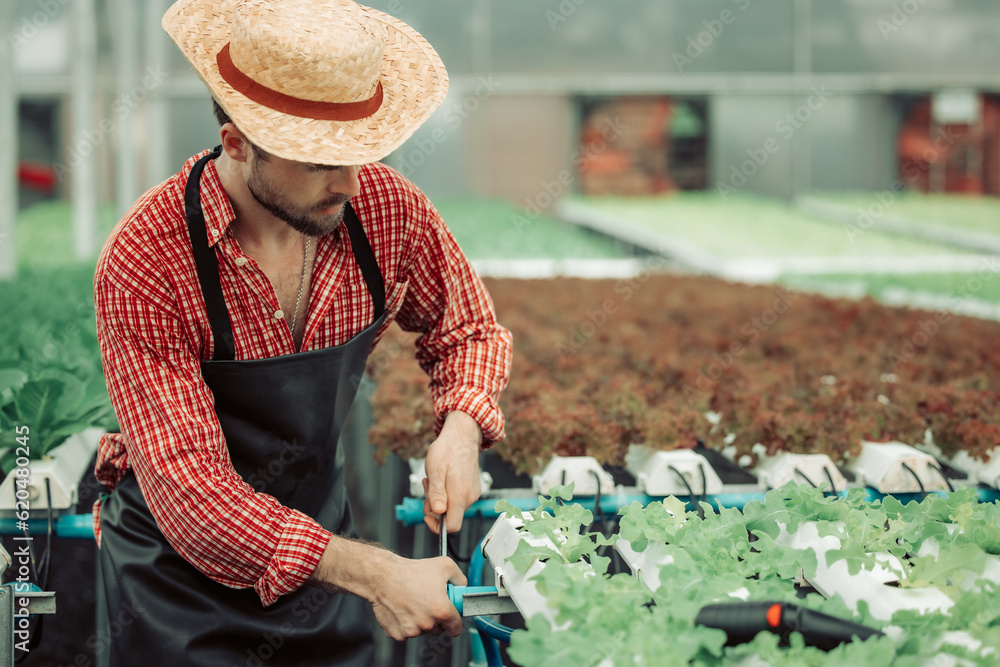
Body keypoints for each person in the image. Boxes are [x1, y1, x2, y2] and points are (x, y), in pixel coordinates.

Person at [91, 0, 512, 665]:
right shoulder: (150, 257)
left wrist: (460, 428)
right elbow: (194, 496)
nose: (350, 181)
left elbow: (468, 328)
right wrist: (376, 572)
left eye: (360, 153)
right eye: (320, 161)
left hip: (322, 561)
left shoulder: (383, 209)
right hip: (174, 583)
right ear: (236, 143)